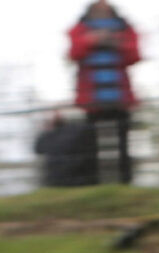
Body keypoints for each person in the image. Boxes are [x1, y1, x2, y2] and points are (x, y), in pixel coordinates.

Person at [66, 1, 140, 183]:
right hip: (91, 98)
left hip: (120, 97)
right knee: (90, 143)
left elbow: (135, 55)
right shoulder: (80, 29)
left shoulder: (125, 28)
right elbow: (74, 53)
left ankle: (125, 183)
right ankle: (91, 182)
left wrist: (115, 42)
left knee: (123, 143)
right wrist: (92, 40)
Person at [35, 110, 98, 188]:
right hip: (80, 179)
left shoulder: (48, 136)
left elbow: (38, 149)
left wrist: (46, 131)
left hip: (57, 180)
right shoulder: (78, 131)